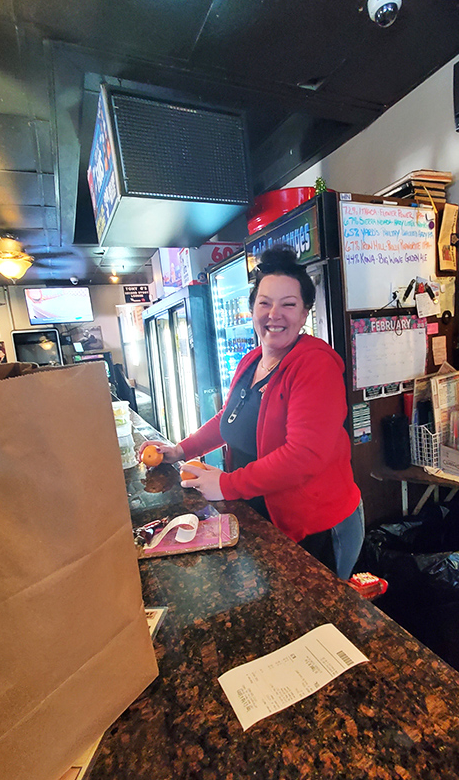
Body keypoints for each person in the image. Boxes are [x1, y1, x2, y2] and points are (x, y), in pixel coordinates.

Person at [138, 246, 364, 580]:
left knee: (319, 621)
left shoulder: (315, 364)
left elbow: (304, 456)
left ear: (304, 315)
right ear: (252, 308)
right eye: (265, 302)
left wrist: (228, 485)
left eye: (289, 304)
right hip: (267, 515)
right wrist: (182, 450)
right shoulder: (252, 360)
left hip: (318, 526)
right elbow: (228, 418)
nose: (275, 313)